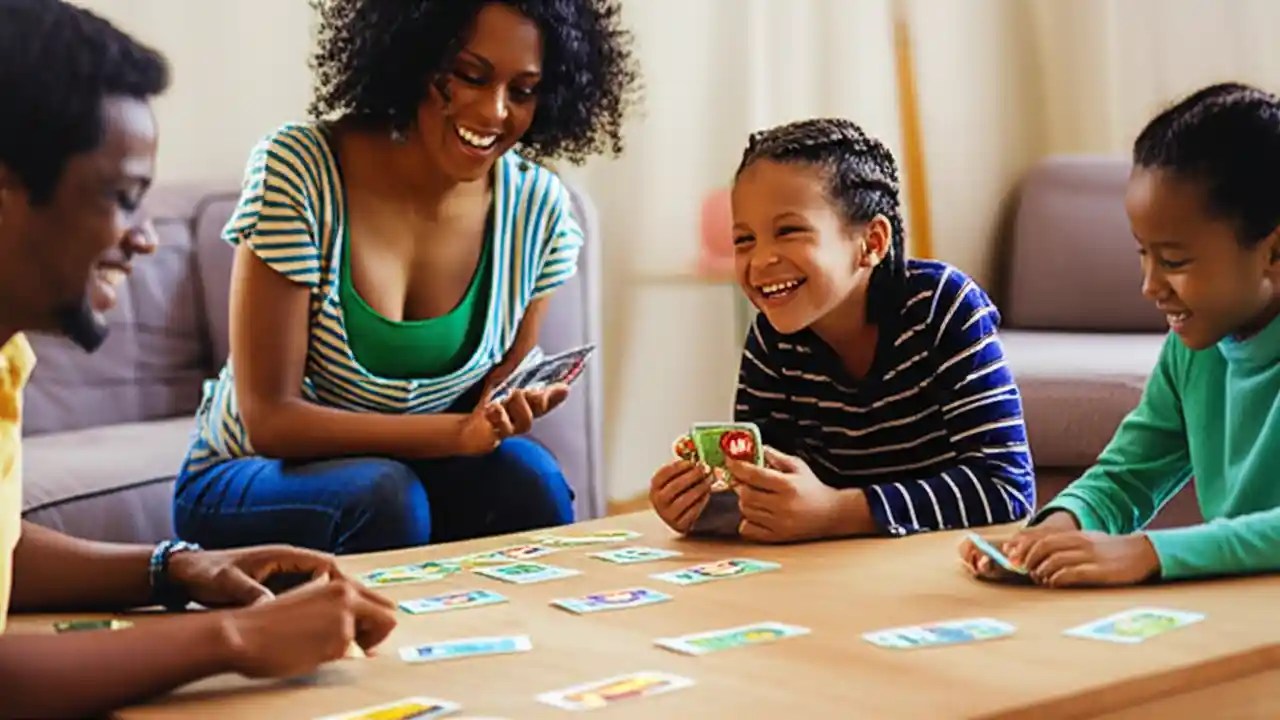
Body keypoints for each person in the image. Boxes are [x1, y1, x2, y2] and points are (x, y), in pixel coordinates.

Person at [0, 1, 397, 717]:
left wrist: (175, 566)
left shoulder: (7, 359)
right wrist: (233, 638)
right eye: (122, 198)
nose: (145, 238)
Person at [173, 0, 640, 554]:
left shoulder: (537, 213)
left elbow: (496, 395)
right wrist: (455, 435)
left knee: (531, 481)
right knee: (385, 497)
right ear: (417, 58)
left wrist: (503, 413)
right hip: (254, 471)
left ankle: (516, 639)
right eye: (471, 76)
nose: (494, 112)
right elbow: (271, 421)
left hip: (415, 474)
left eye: (523, 91)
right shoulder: (298, 170)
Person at [650, 118, 1035, 543]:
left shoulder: (943, 306)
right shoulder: (771, 339)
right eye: (744, 240)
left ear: (871, 243)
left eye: (788, 231)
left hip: (940, 568)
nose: (760, 262)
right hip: (829, 575)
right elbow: (772, 492)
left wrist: (839, 512)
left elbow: (1008, 489)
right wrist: (706, 508)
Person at [961, 82, 1280, 588]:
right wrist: (1053, 533)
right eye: (1143, 254)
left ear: (1273, 253)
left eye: (1174, 261)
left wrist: (1151, 551)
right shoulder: (1191, 351)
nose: (1150, 286)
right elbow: (1126, 475)